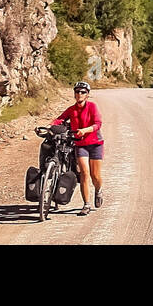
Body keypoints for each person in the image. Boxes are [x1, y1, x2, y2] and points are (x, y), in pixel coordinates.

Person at [50, 81, 104, 215]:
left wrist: (85, 130)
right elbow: (60, 119)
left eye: (83, 92)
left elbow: (98, 124)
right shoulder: (71, 109)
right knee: (84, 174)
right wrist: (52, 125)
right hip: (80, 145)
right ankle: (86, 205)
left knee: (95, 176)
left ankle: (98, 190)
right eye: (77, 91)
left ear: (87, 95)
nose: (79, 94)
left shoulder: (92, 107)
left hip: (95, 144)